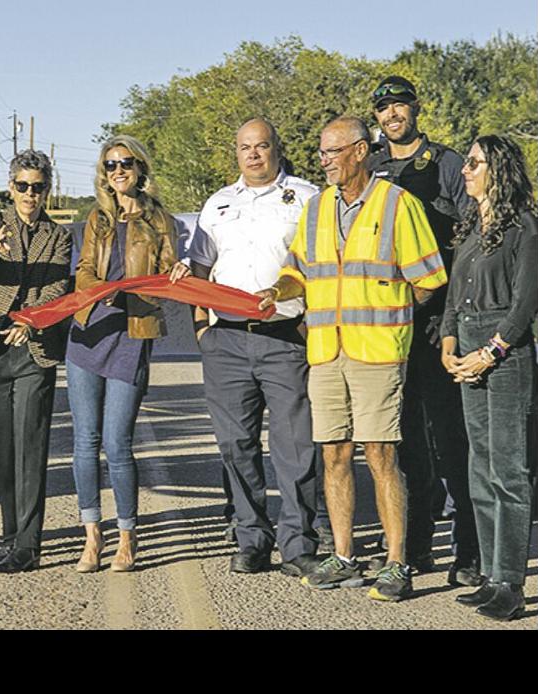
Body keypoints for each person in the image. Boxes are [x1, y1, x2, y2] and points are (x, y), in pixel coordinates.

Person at [271, 115, 447, 602]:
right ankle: (344, 556)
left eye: (332, 152)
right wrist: (277, 290)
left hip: (377, 353)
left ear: (360, 152)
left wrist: (389, 314)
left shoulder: (398, 205)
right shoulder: (315, 208)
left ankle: (396, 563)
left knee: (381, 455)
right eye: (322, 152)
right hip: (326, 351)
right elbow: (297, 272)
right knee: (334, 455)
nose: (323, 161)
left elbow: (428, 280)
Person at [188, 118, 322, 577]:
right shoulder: (218, 203)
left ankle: (299, 542)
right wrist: (202, 331)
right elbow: (199, 271)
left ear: (276, 149)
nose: (253, 155)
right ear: (236, 152)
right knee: (235, 446)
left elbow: (320, 267)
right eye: (245, 147)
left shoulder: (306, 198)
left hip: (285, 340)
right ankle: (251, 537)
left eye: (261, 146)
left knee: (295, 447)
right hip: (225, 341)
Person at [365, 76, 481, 585]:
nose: (393, 114)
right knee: (405, 439)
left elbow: (475, 234)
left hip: (441, 320)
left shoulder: (448, 164)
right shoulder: (371, 168)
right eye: (384, 108)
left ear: (415, 107)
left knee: (452, 440)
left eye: (399, 105)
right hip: (391, 322)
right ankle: (414, 548)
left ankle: (469, 550)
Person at [67, 135, 188, 573]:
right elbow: (83, 269)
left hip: (132, 334)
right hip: (88, 333)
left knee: (117, 443)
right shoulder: (97, 217)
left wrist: (178, 271)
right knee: (85, 443)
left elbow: (170, 274)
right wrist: (93, 293)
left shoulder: (161, 221)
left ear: (140, 169)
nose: (118, 171)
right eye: (111, 165)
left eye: (126, 163)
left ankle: (127, 538)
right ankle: (92, 537)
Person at [441, 135, 537, 621]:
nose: (465, 170)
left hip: (507, 353)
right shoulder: (470, 230)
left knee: (510, 470)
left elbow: (524, 306)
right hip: (469, 349)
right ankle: (490, 574)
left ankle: (511, 584)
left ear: (497, 170)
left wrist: (490, 351)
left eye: (474, 163)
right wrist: (448, 344)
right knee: (480, 469)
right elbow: (454, 297)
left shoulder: (524, 228)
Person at [0, 149, 72, 574]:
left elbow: (60, 285)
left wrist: (30, 322)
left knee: (30, 449)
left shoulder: (59, 234)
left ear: (48, 189)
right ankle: (10, 536)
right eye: (23, 186)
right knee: (0, 450)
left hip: (33, 349)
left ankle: (29, 545)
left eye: (38, 187)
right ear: (11, 187)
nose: (30, 194)